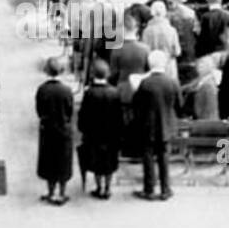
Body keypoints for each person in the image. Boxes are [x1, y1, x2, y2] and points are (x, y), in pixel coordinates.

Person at [132, 50, 181, 201]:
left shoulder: (145, 84)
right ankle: (165, 189)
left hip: (148, 125)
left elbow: (136, 104)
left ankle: (149, 189)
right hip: (167, 124)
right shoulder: (172, 82)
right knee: (164, 156)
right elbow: (180, 104)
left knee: (148, 156)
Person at [77, 58, 122, 199]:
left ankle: (98, 187)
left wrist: (82, 129)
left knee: (97, 162)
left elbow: (83, 114)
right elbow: (119, 116)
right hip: (111, 134)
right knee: (109, 161)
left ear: (92, 74)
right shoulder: (114, 93)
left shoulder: (89, 93)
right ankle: (108, 188)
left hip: (94, 134)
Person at [35, 55, 74, 205]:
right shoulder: (66, 90)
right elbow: (70, 111)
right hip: (64, 129)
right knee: (63, 161)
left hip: (48, 129)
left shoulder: (42, 90)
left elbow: (39, 110)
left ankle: (51, 192)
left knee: (49, 160)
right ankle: (62, 193)